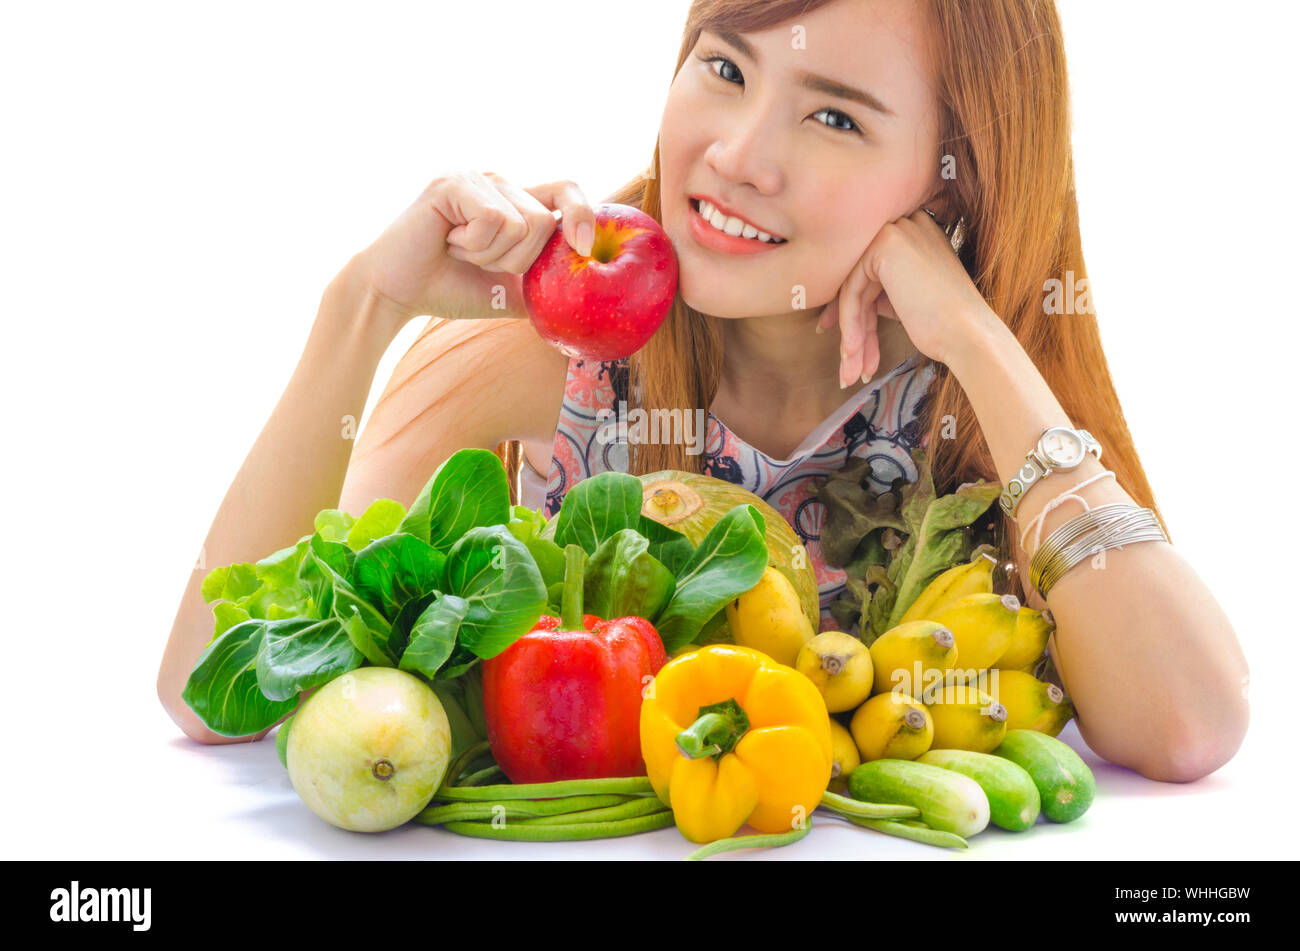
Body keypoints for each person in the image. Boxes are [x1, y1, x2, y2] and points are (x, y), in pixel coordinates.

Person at [158, 0, 1249, 783]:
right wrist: (364, 307)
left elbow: (1188, 729)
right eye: (724, 68)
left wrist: (973, 333)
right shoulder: (552, 359)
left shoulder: (976, 407)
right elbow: (211, 695)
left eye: (835, 119)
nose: (735, 156)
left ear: (953, 178)